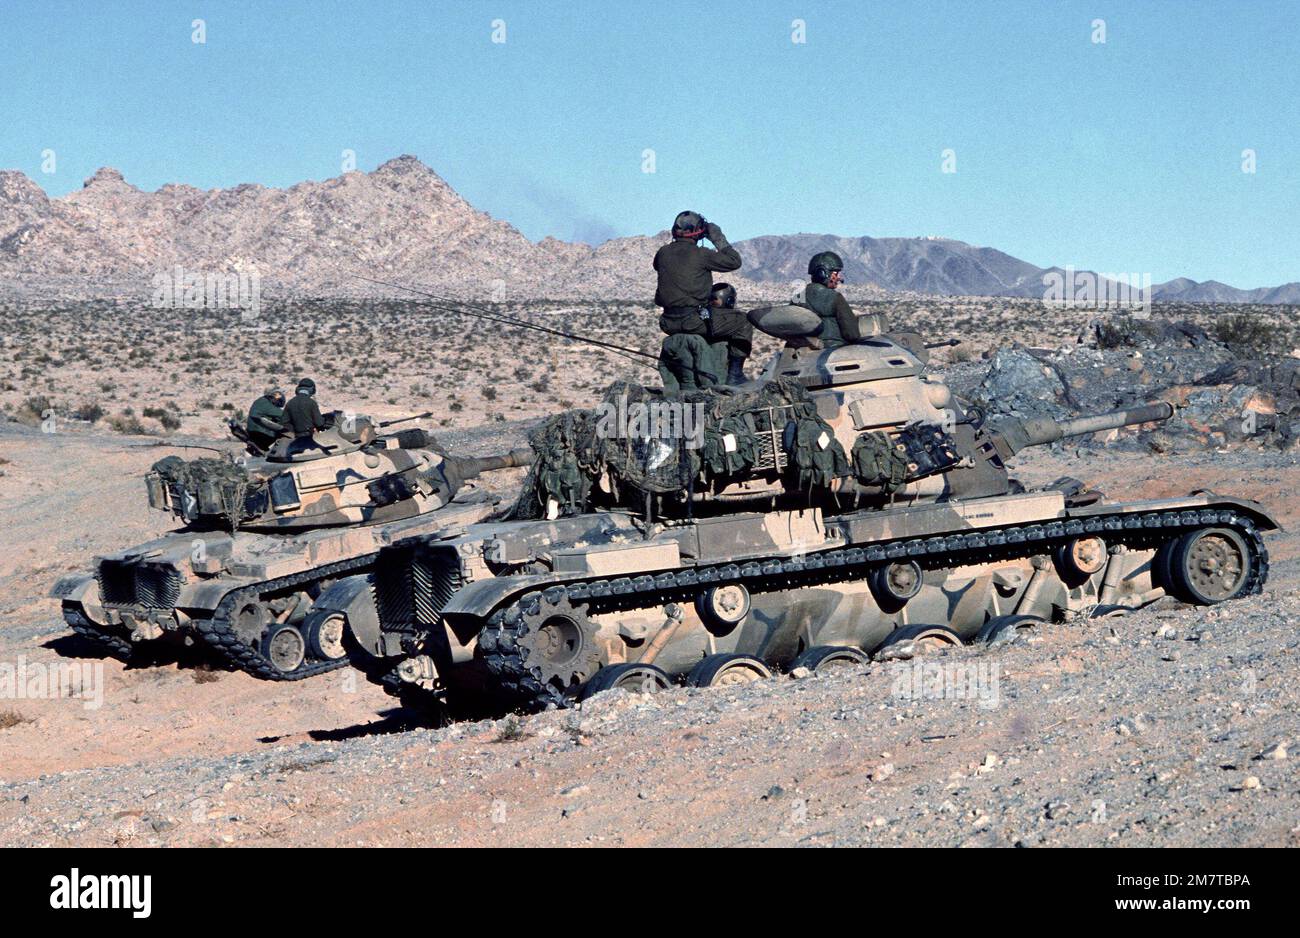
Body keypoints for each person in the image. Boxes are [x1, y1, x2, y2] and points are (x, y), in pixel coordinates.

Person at [653, 211, 750, 385]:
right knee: (743, 321)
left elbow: (659, 265)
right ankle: (735, 375)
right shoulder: (702, 254)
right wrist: (716, 237)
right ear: (698, 231)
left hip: (667, 322)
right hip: (693, 322)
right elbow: (734, 261)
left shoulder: (662, 253)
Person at [801, 251, 862, 349]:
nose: (839, 278)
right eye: (836, 274)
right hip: (834, 352)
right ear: (823, 274)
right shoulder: (835, 298)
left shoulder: (797, 298)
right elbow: (852, 335)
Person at [244, 387, 286, 452]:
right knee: (284, 431)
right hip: (260, 432)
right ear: (276, 398)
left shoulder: (260, 401)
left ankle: (259, 446)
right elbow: (284, 416)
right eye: (278, 403)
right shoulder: (267, 405)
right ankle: (278, 451)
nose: (277, 406)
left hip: (252, 430)